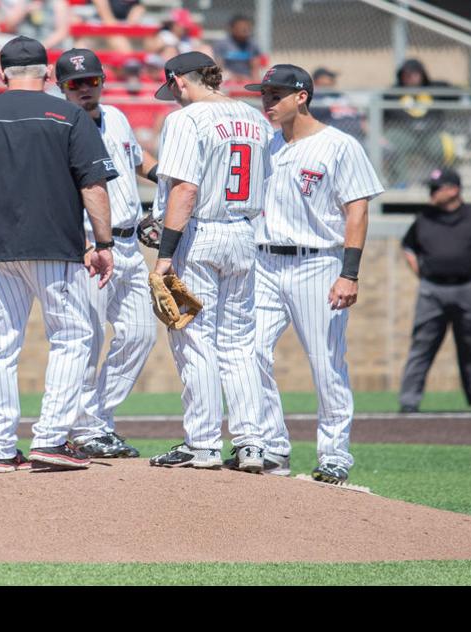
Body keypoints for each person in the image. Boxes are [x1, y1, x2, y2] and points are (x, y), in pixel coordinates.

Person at [0, 36, 118, 472]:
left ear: (2, 75)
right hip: (55, 247)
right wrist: (105, 243)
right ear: (49, 75)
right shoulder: (70, 115)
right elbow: (92, 185)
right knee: (72, 338)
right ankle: (51, 438)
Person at [245, 64, 385, 485]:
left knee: (325, 363)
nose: (267, 101)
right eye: (264, 94)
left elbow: (357, 210)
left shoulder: (338, 145)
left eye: (276, 94)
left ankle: (334, 454)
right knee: (249, 353)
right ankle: (272, 447)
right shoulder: (267, 145)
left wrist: (350, 273)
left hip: (317, 261)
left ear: (302, 95)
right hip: (264, 262)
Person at [142, 52, 273, 471]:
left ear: (180, 82)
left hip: (199, 235)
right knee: (238, 343)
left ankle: (203, 443)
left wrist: (164, 256)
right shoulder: (255, 118)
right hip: (243, 233)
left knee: (194, 338)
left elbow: (185, 190)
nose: (173, 99)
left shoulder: (186, 119)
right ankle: (251, 442)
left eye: (172, 90)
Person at [54, 48, 158, 459]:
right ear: (61, 87)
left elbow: (136, 159)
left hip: (130, 242)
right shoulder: (57, 125)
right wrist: (80, 244)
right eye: (75, 83)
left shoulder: (115, 116)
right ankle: (86, 426)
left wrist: (171, 179)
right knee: (89, 337)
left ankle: (94, 419)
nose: (84, 89)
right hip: (87, 246)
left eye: (91, 81)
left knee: (140, 334)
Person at [398, 168, 471, 414]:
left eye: (436, 188)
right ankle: (409, 402)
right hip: (432, 290)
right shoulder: (425, 217)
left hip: (469, 288)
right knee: (421, 346)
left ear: (454, 189)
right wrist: (421, 274)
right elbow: (407, 246)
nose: (432, 193)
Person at [384, 58, 454, 187]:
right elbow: (377, 117)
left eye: (414, 74)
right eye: (407, 75)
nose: (411, 78)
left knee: (441, 147)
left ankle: (438, 182)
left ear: (422, 74)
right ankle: (400, 182)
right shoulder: (393, 93)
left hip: (431, 134)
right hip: (405, 135)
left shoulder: (435, 88)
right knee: (392, 142)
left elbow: (461, 94)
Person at [308, 67, 365, 141]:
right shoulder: (314, 98)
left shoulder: (340, 95)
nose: (333, 80)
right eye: (329, 77)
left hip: (358, 136)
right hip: (331, 138)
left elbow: (359, 116)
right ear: (319, 79)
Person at [212, 15, 262, 83]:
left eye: (247, 27)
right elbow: (218, 67)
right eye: (241, 27)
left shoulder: (252, 45)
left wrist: (255, 84)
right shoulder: (222, 45)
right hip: (228, 79)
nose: (245, 30)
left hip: (247, 79)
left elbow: (255, 70)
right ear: (232, 28)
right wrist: (233, 77)